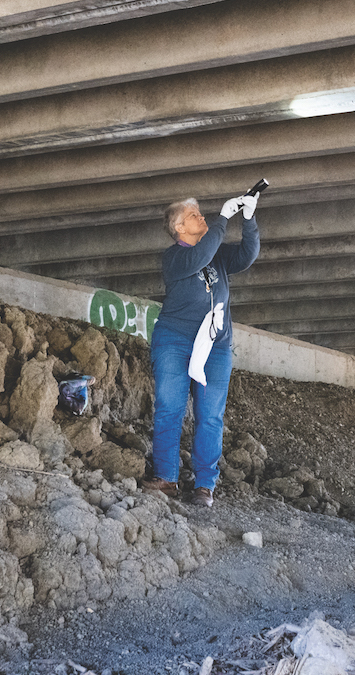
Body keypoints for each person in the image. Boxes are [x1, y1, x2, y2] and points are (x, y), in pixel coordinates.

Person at [143, 192, 261, 507]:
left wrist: (248, 218)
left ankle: (204, 485)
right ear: (179, 227)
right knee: (170, 406)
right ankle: (166, 477)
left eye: (202, 213)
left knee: (210, 416)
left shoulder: (218, 253)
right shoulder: (174, 257)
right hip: (175, 339)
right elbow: (200, 256)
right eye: (194, 214)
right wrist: (224, 217)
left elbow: (248, 255)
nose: (202, 216)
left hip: (215, 346)